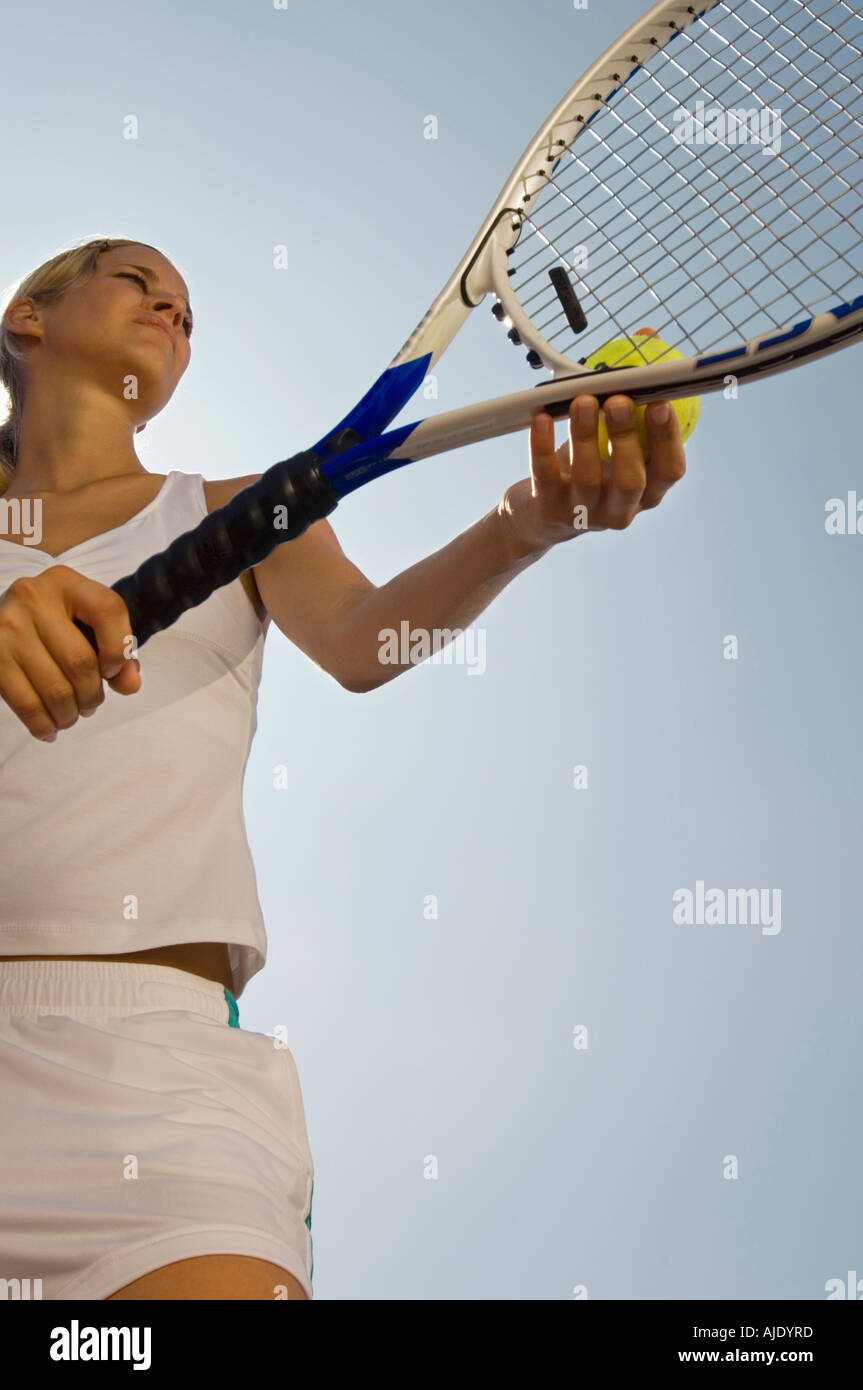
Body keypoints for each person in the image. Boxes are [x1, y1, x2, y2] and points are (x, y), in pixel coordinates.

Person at [0, 237, 687, 1301]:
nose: (171, 310)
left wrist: (528, 523)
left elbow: (371, 641)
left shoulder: (235, 511)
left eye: (187, 308)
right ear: (28, 317)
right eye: (135, 280)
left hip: (155, 1075)